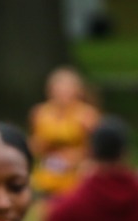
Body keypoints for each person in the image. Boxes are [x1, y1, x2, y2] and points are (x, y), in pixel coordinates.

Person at [28, 66, 99, 199]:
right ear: (50, 91)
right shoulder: (40, 113)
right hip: (48, 172)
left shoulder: (87, 115)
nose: (63, 95)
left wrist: (76, 159)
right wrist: (41, 146)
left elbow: (95, 148)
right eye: (59, 90)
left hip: (77, 173)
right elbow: (35, 145)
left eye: (67, 90)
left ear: (77, 91)